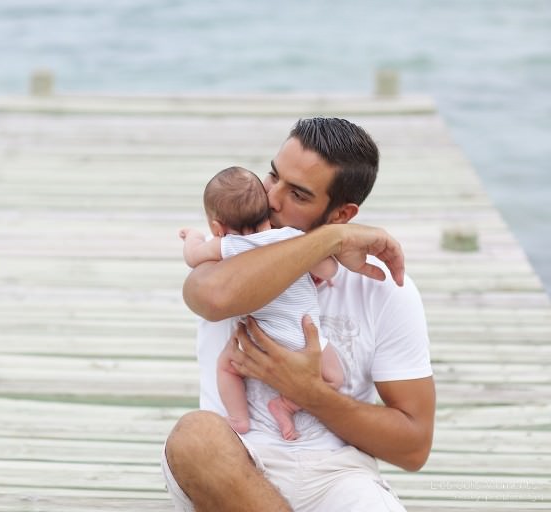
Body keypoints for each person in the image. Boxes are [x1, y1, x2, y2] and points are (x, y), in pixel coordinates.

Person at [162, 117, 435, 511]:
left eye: (299, 195)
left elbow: (413, 447)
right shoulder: (233, 248)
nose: (271, 199)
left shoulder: (386, 291)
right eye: (273, 176)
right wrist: (330, 239)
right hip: (236, 469)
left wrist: (308, 392)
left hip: (337, 476)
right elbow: (212, 298)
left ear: (342, 213)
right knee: (195, 436)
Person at [178, 165, 343, 441]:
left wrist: (192, 237)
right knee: (335, 378)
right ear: (267, 210)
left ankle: (239, 418)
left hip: (260, 340)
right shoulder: (292, 239)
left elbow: (193, 257)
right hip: (305, 336)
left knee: (226, 367)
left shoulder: (227, 246)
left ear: (217, 227)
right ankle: (285, 405)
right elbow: (329, 271)